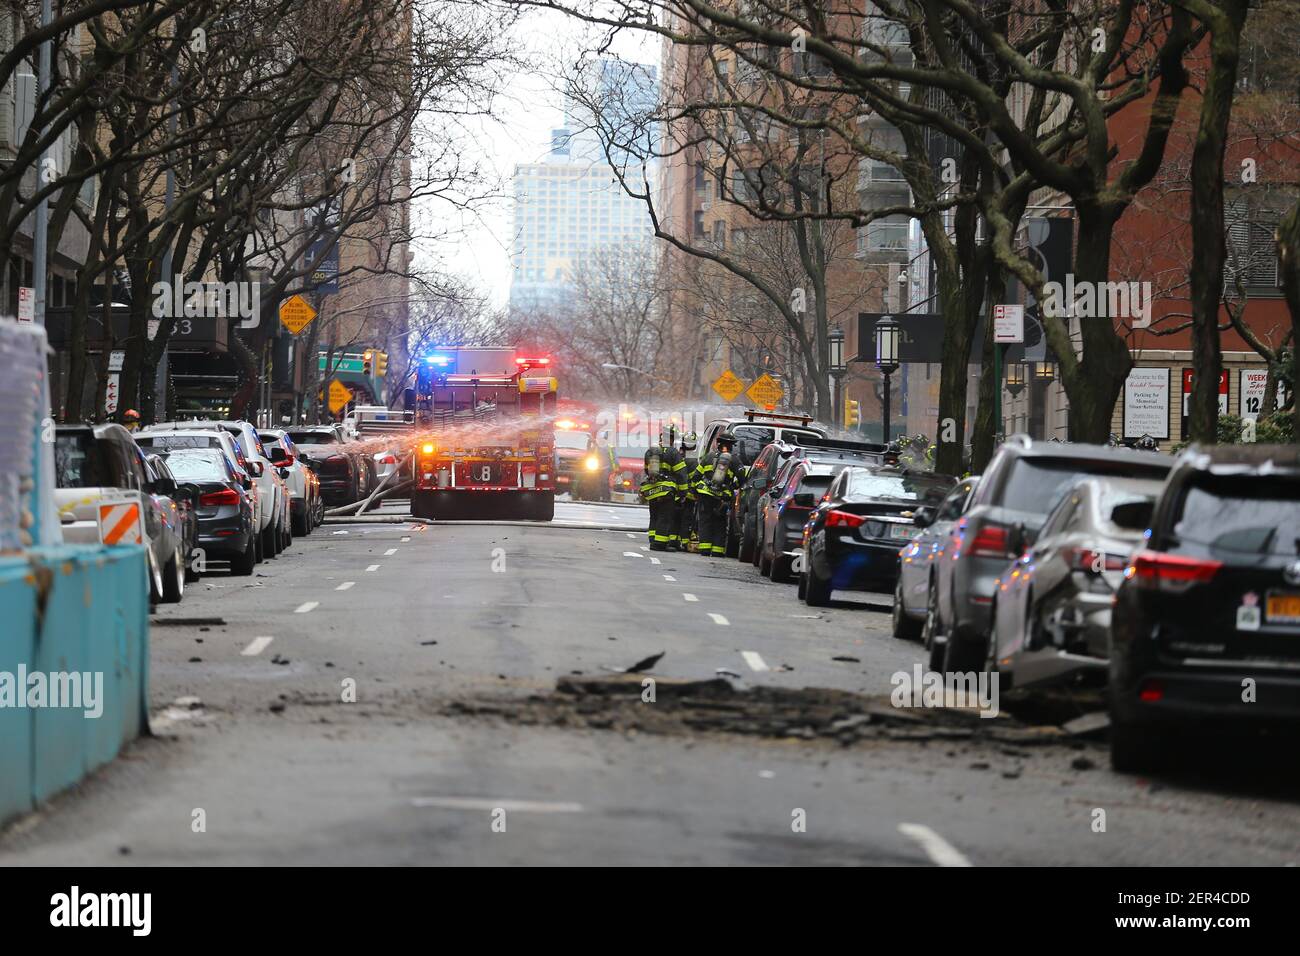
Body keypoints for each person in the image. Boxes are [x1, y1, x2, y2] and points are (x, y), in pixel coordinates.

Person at [693, 433, 740, 557]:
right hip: (722, 497)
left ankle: (705, 549)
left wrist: (695, 491)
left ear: (718, 443)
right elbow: (742, 478)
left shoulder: (709, 456)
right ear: (731, 446)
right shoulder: (734, 459)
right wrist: (733, 486)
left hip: (705, 494)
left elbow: (696, 475)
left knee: (705, 521)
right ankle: (717, 550)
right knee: (719, 523)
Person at [640, 425, 682, 551]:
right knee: (664, 516)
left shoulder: (651, 451)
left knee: (654, 516)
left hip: (652, 490)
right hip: (666, 491)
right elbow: (681, 473)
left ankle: (652, 540)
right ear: (672, 438)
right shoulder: (673, 452)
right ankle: (659, 544)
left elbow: (647, 470)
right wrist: (683, 492)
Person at [676, 431, 699, 551]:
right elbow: (694, 479)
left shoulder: (678, 456)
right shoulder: (692, 461)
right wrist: (695, 493)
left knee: (675, 517)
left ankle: (673, 541)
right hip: (688, 495)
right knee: (686, 519)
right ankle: (684, 542)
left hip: (675, 493)